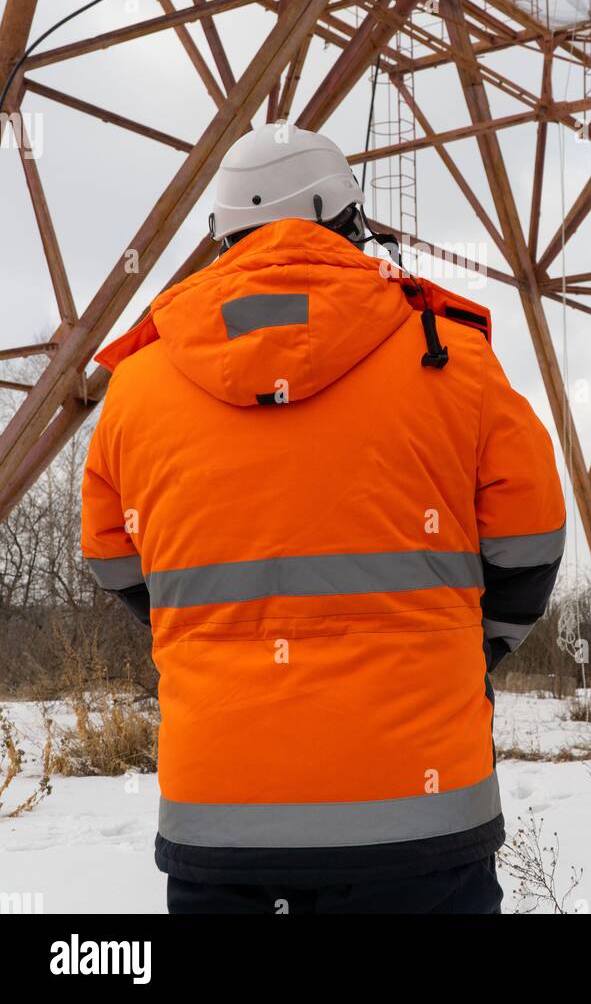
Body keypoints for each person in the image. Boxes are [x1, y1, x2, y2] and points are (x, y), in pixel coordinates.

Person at [80, 123, 566, 916]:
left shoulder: (138, 381)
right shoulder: (451, 354)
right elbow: (531, 543)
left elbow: (112, 558)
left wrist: (208, 638)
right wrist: (464, 653)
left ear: (223, 235)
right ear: (349, 219)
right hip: (423, 819)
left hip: (220, 817)